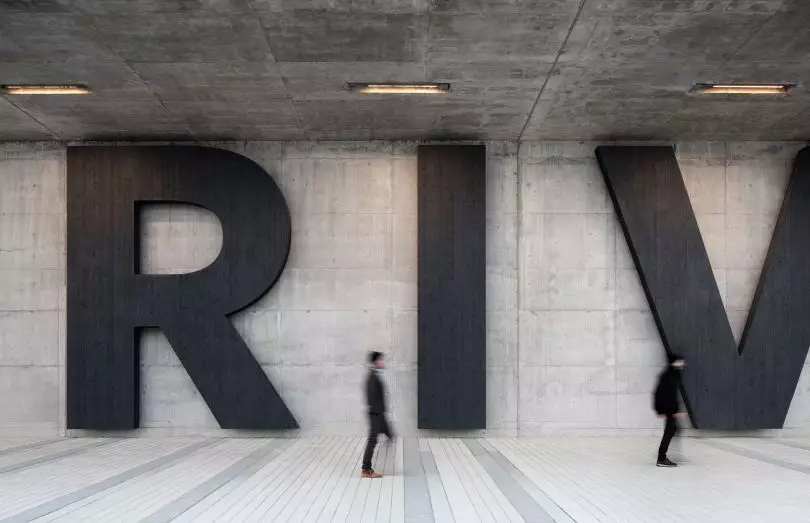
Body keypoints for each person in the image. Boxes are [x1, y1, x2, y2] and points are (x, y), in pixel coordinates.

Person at [361, 351, 394, 478]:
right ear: (375, 362)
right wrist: (379, 415)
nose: (382, 362)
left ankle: (388, 463)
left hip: (379, 414)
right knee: (372, 441)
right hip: (376, 414)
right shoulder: (372, 377)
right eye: (381, 360)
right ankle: (366, 469)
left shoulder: (374, 376)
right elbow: (372, 398)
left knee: (390, 436)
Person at [654, 353, 686, 467]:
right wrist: (659, 410)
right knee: (669, 432)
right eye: (680, 361)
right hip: (669, 409)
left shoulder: (674, 374)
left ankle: (664, 456)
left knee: (674, 430)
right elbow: (659, 393)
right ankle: (661, 458)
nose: (682, 363)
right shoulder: (667, 375)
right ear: (674, 362)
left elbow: (672, 395)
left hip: (671, 408)